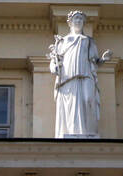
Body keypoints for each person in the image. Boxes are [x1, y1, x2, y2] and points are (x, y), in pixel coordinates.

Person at [48, 10, 111, 138]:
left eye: (81, 19)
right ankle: (72, 132)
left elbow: (94, 61)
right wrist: (53, 67)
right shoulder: (63, 41)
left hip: (86, 74)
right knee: (70, 104)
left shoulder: (88, 40)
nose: (78, 21)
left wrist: (103, 60)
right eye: (76, 19)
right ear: (70, 23)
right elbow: (55, 59)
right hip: (68, 77)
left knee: (88, 99)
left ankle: (87, 132)